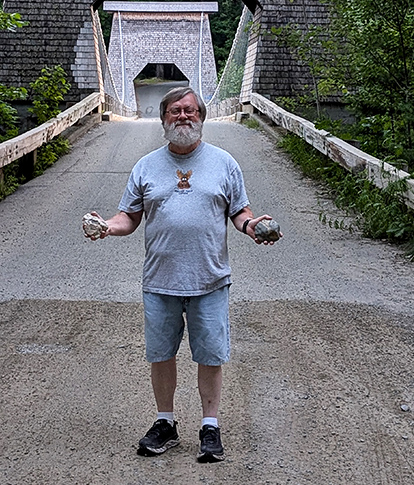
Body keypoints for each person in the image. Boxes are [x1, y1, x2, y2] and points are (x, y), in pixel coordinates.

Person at [85, 85, 281, 463]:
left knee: (210, 355)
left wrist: (254, 226)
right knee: (161, 354)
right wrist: (108, 226)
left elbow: (240, 213)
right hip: (160, 280)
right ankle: (166, 423)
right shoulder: (145, 166)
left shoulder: (225, 163)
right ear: (162, 120)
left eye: (190, 111)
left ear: (202, 117)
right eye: (175, 111)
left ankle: (210, 425)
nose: (183, 117)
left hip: (210, 279)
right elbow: (129, 217)